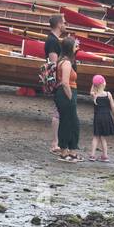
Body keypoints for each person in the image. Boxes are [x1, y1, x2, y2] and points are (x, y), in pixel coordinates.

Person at [44, 14, 67, 153]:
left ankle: (56, 142)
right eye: (64, 22)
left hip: (57, 80)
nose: (65, 25)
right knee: (57, 111)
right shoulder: (52, 41)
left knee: (58, 111)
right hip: (57, 80)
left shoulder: (53, 39)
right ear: (59, 24)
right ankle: (54, 143)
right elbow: (54, 64)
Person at [55, 37, 80, 161]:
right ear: (70, 48)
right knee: (72, 123)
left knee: (68, 122)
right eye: (75, 46)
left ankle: (67, 151)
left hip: (64, 93)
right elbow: (65, 83)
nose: (77, 48)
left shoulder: (63, 61)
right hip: (66, 94)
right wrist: (70, 97)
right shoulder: (66, 63)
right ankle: (67, 152)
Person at [89, 74, 114, 162]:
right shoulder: (108, 94)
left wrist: (94, 84)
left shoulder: (94, 95)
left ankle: (92, 155)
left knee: (96, 136)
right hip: (106, 116)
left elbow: (91, 91)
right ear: (104, 83)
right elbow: (113, 107)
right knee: (103, 137)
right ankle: (105, 155)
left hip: (97, 117)